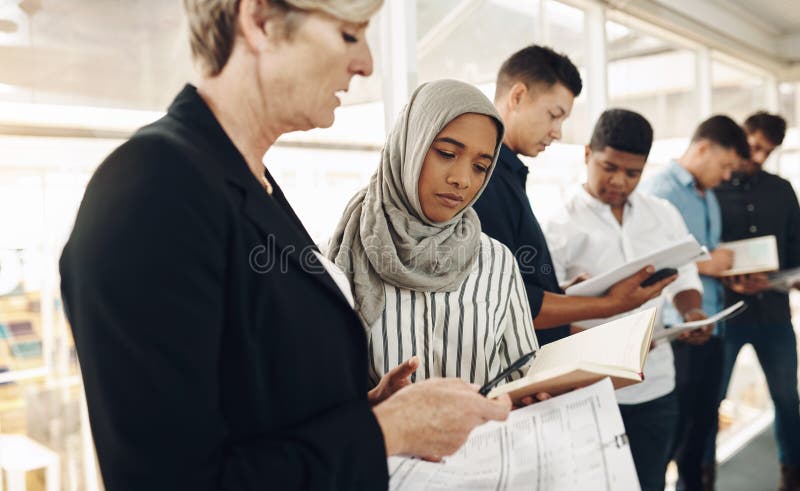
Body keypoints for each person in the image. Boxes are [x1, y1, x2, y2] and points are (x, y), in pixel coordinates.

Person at [58, 1, 512, 489]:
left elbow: (254, 396)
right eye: (348, 35)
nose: (366, 64)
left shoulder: (251, 183)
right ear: (260, 21)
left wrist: (363, 409)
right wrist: (387, 430)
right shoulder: (154, 190)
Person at [328, 79, 538, 388]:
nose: (462, 180)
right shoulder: (341, 256)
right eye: (447, 153)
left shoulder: (497, 262)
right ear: (409, 146)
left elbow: (523, 372)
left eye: (480, 167)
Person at [544, 109, 707, 490]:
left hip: (657, 384)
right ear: (587, 154)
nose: (619, 180)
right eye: (609, 167)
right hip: (589, 390)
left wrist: (692, 311)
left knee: (650, 482)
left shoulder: (662, 214)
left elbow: (685, 273)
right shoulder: (557, 227)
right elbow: (545, 310)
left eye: (632, 173)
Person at [473, 45, 669, 346]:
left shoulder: (508, 175)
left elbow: (515, 285)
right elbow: (507, 301)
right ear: (517, 96)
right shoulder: (486, 178)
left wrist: (562, 293)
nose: (557, 132)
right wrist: (612, 304)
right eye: (554, 115)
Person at [640, 114, 750, 491]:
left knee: (703, 426)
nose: (725, 176)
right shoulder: (660, 192)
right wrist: (711, 265)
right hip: (679, 331)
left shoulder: (708, 195)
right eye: (724, 166)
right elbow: (654, 259)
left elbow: (705, 252)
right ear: (703, 148)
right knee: (677, 431)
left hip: (712, 322)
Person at [708, 111, 800, 490]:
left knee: (787, 400)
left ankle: (791, 475)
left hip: (774, 313)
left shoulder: (781, 190)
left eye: (769, 151)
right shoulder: (711, 188)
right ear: (741, 136)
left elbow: (797, 255)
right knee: (710, 402)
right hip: (725, 314)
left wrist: (778, 279)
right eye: (756, 146)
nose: (759, 157)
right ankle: (702, 476)